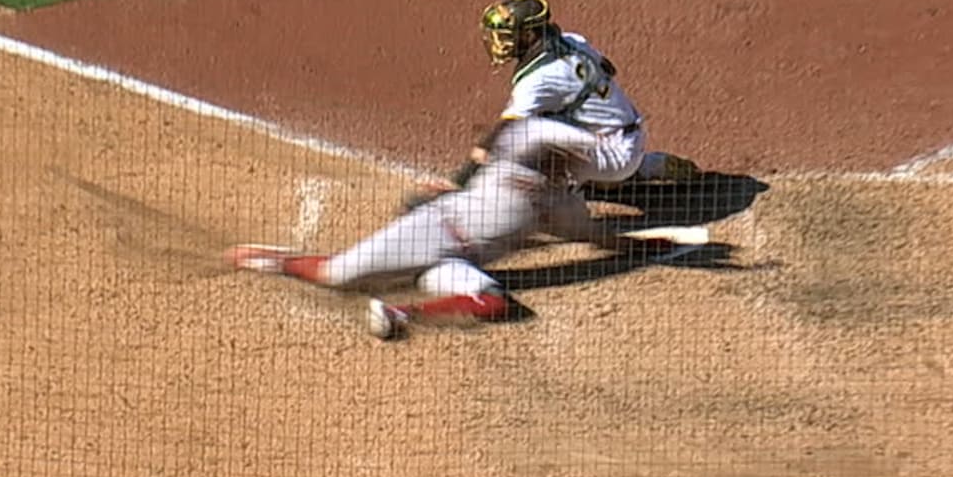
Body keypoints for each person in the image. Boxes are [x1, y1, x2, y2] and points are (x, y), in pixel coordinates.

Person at [225, 117, 694, 340]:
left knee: (493, 302)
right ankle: (266, 257)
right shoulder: (518, 154)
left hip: (458, 261)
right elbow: (514, 131)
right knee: (335, 277)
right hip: (432, 229)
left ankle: (400, 312)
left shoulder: (562, 205)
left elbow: (595, 239)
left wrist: (648, 245)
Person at [417, 0, 700, 202]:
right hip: (629, 129)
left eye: (506, 36)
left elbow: (501, 135)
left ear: (528, 36)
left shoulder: (537, 81)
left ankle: (581, 189)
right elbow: (609, 68)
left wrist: (460, 181)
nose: (499, 43)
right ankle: (647, 166)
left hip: (614, 153)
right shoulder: (572, 40)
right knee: (553, 117)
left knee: (523, 152)